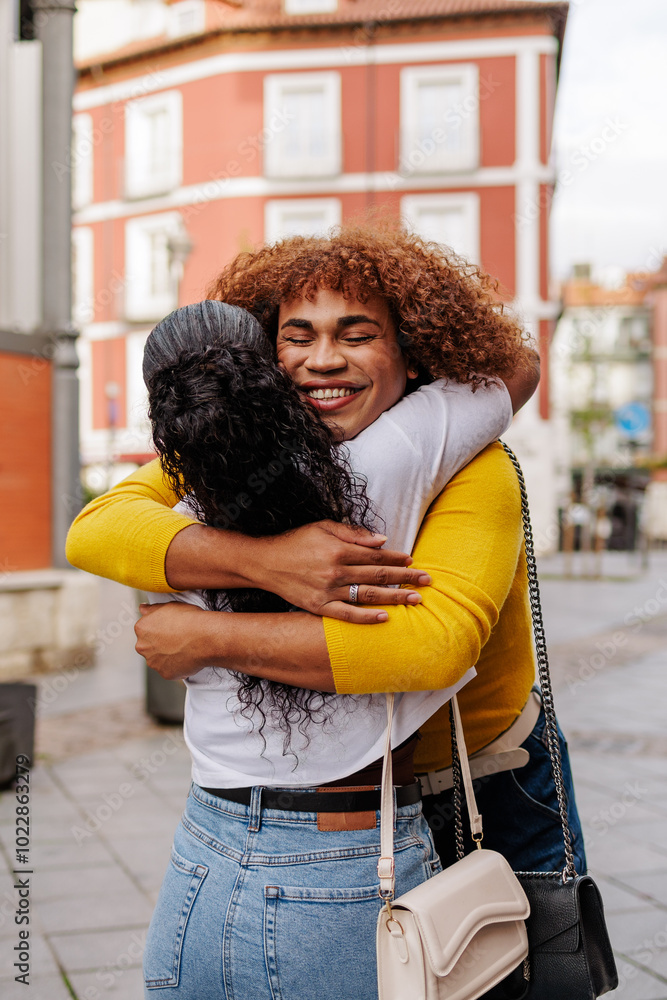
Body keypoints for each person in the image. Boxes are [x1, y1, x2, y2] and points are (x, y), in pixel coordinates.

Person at [66, 226, 586, 993]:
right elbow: (99, 526)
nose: (322, 359)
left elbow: (428, 645)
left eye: (357, 334)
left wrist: (203, 633)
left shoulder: (469, 465)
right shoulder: (223, 464)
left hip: (480, 785)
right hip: (293, 823)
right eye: (295, 336)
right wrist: (266, 561)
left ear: (415, 354)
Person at [137, 296, 515, 999]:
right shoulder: (391, 462)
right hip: (343, 860)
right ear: (268, 374)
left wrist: (207, 634)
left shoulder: (170, 525)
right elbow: (508, 375)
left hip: (200, 851)